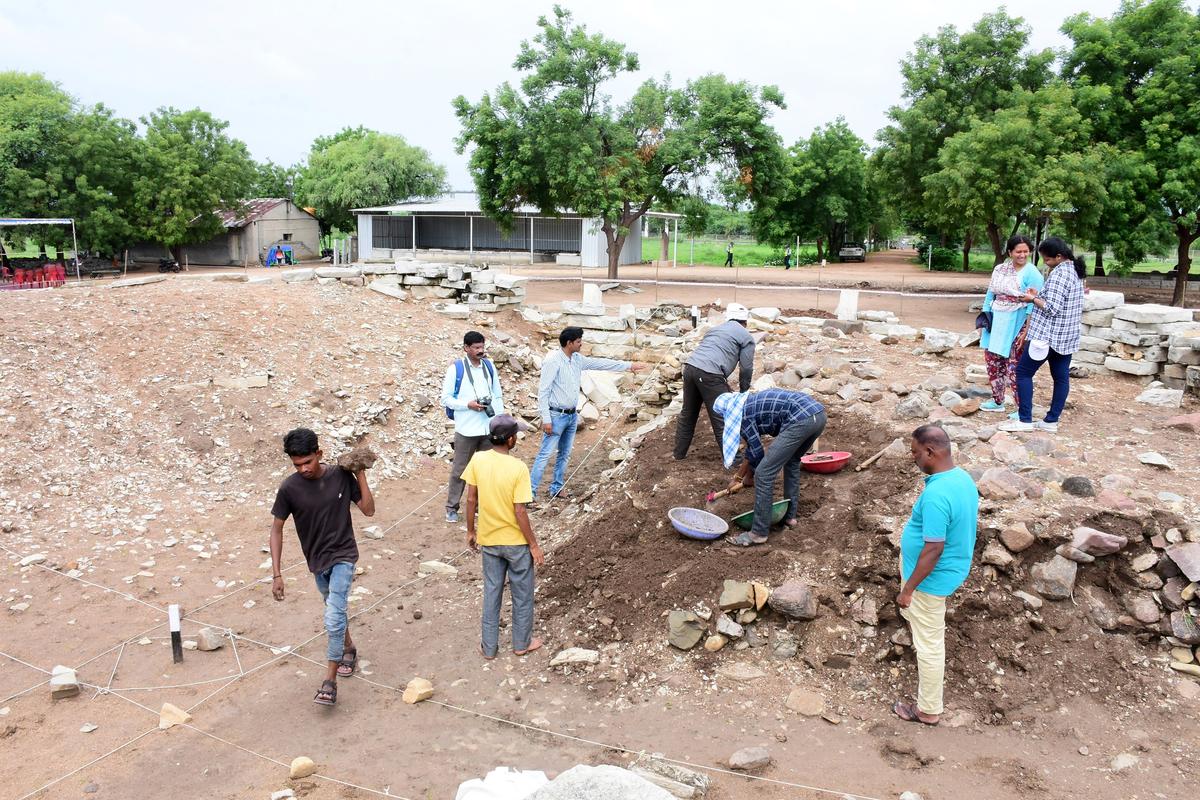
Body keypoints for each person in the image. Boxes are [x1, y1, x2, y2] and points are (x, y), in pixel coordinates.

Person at [269, 428, 375, 706]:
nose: (303, 468)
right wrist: (277, 574)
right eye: (297, 464)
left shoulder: (340, 476)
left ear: (320, 453)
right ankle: (349, 647)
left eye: (308, 462)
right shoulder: (289, 489)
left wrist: (360, 473)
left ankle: (329, 682)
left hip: (343, 555)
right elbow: (276, 530)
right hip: (317, 561)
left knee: (333, 616)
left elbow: (368, 509)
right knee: (334, 609)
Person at [892, 425, 979, 726]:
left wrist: (908, 590)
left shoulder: (937, 495)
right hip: (948, 570)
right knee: (927, 629)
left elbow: (933, 548)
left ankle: (928, 709)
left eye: (915, 453)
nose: (914, 459)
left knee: (930, 644)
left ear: (930, 452)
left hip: (931, 580)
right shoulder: (961, 479)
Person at [531, 327, 647, 502]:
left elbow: (601, 363)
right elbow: (543, 392)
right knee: (545, 454)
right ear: (569, 343)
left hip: (571, 416)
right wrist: (546, 419)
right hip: (555, 416)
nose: (581, 344)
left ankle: (556, 487)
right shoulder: (553, 361)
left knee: (564, 454)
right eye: (578, 341)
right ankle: (529, 493)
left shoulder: (577, 359)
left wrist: (628, 366)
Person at [463, 415, 544, 658]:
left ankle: (489, 648)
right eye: (515, 435)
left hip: (489, 540)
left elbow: (470, 499)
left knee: (491, 591)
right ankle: (521, 644)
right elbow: (520, 510)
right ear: (510, 440)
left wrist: (470, 530)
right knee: (522, 594)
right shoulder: (518, 467)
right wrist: (534, 544)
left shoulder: (478, 459)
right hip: (516, 544)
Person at [712, 389, 826, 546]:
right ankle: (789, 517)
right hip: (818, 414)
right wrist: (743, 477)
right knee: (792, 461)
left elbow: (758, 453)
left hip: (800, 419)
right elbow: (752, 448)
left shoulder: (743, 415)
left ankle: (758, 533)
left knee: (764, 474)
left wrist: (750, 477)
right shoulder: (749, 403)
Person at [999, 236, 1086, 434]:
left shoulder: (1059, 274)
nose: (1046, 263)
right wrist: (1037, 295)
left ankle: (1024, 420)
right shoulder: (1075, 271)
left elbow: (1052, 308)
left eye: (1047, 259)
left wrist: (1031, 298)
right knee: (1061, 378)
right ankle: (1051, 421)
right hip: (1066, 336)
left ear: (1058, 256)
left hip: (1046, 336)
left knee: (1023, 373)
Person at [673, 302, 756, 460]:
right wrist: (744, 391)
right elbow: (746, 368)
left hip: (690, 368)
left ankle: (678, 454)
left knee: (688, 413)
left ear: (729, 318)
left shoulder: (714, 330)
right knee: (722, 415)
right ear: (745, 322)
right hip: (710, 373)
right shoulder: (746, 337)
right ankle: (734, 461)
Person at [441, 331, 507, 523]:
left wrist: (498, 419)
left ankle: (481, 506)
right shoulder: (456, 369)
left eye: (482, 347)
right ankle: (452, 508)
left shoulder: (489, 365)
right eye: (476, 348)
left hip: (487, 427)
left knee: (487, 470)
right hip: (467, 429)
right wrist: (467, 405)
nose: (480, 351)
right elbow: (445, 399)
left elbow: (497, 394)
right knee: (460, 470)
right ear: (466, 348)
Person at [979, 235, 1044, 412]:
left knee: (1015, 365)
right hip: (996, 319)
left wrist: (1027, 330)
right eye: (1018, 251)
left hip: (1018, 321)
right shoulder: (1000, 269)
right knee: (993, 361)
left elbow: (1034, 302)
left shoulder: (1033, 274)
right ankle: (997, 400)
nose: (1022, 255)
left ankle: (1021, 408)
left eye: (1026, 251)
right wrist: (985, 315)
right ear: (1010, 252)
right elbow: (990, 292)